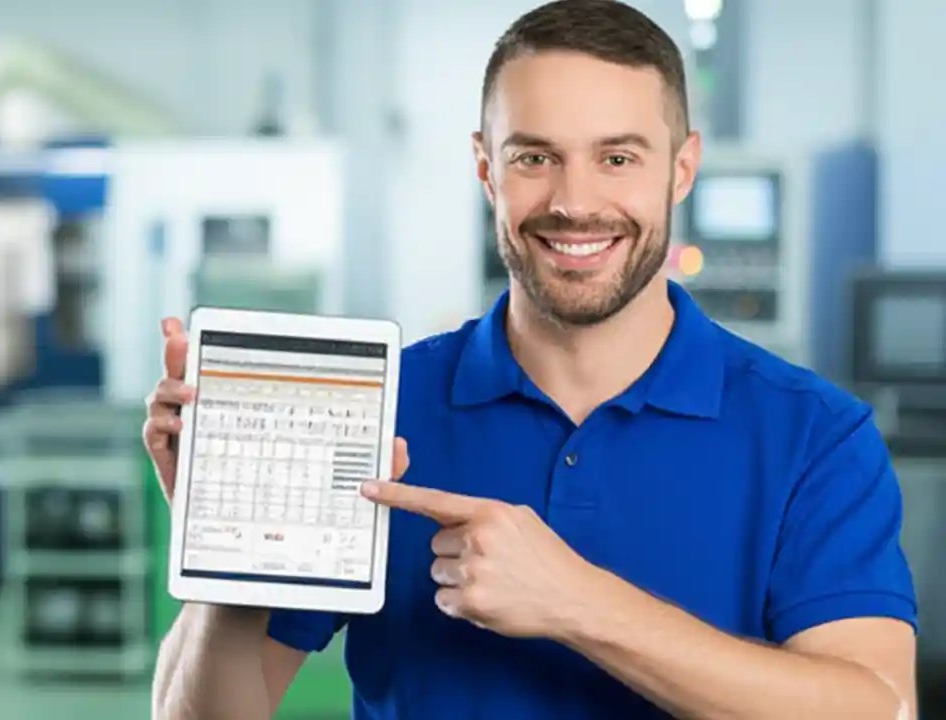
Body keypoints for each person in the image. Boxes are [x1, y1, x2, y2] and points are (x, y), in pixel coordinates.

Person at [142, 1, 919, 717]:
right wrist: (230, 549)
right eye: (535, 157)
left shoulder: (813, 436)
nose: (574, 201)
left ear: (682, 167)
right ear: (486, 168)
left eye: (617, 158)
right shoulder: (384, 406)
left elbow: (876, 707)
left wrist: (576, 602)